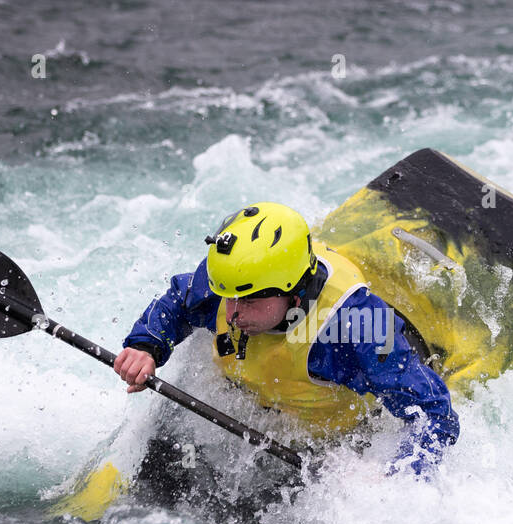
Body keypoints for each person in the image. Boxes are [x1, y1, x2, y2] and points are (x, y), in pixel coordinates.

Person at [114, 202, 458, 477]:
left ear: (293, 295)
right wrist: (146, 347)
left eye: (248, 301)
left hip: (332, 440)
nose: (231, 313)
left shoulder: (357, 326)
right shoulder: (232, 280)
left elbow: (433, 412)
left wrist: (396, 476)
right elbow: (178, 300)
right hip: (247, 399)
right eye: (228, 297)